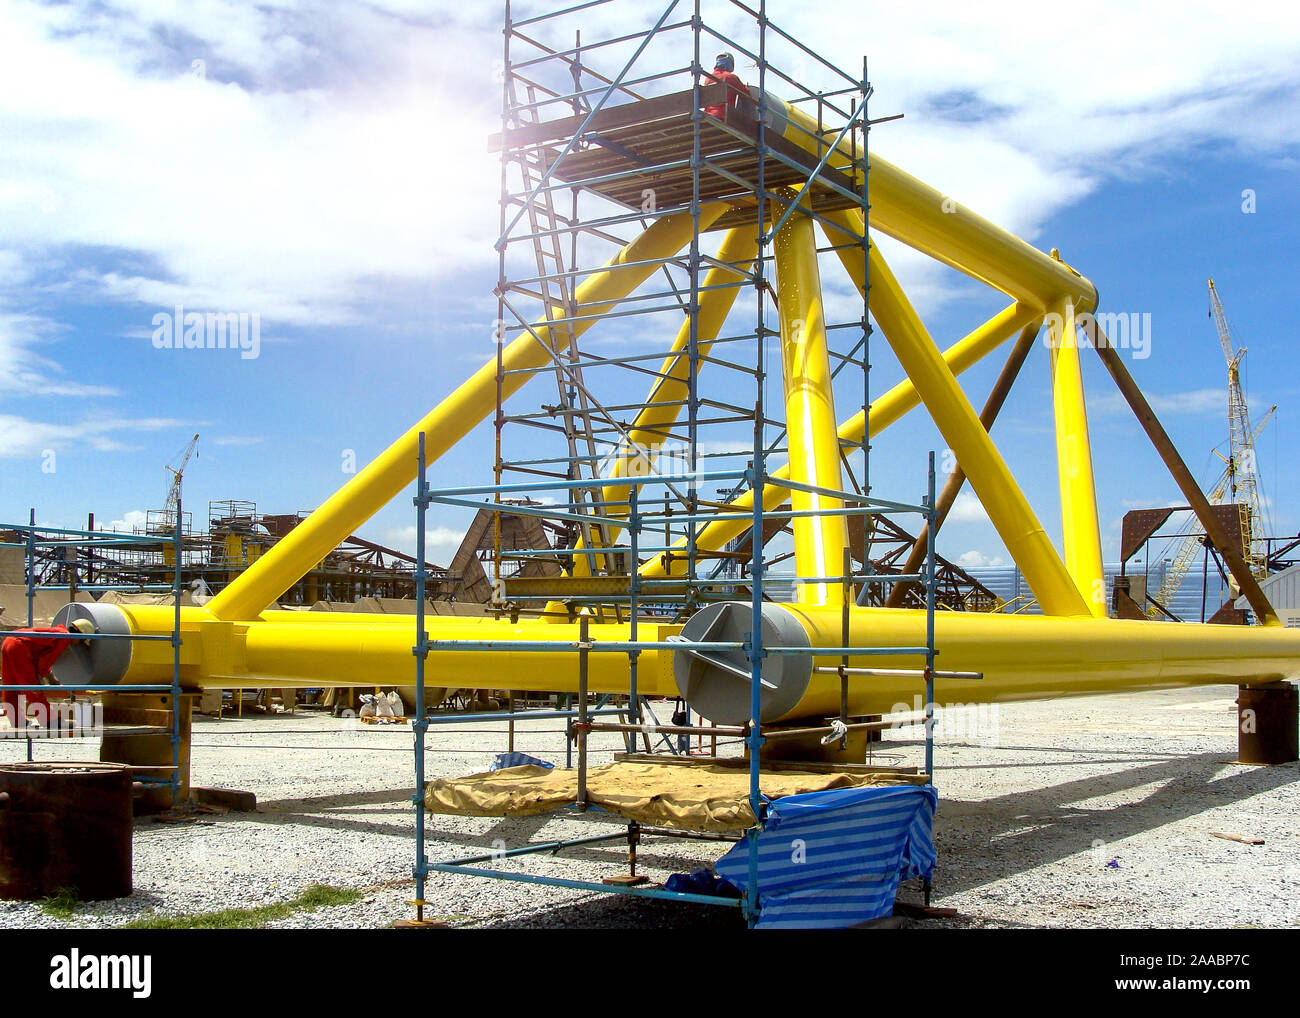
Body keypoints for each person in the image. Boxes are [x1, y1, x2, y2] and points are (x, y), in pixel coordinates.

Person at [0, 619, 94, 729]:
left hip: (9, 641)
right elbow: (46, 660)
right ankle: (50, 720)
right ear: (80, 636)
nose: (77, 645)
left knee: (11, 685)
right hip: (19, 647)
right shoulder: (65, 638)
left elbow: (40, 654)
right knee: (32, 687)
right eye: (81, 642)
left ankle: (16, 720)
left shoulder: (59, 632)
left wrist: (47, 676)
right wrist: (46, 678)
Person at [702, 52, 750, 122]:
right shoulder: (730, 77)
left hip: (708, 116)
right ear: (730, 64)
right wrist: (746, 87)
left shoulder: (708, 79)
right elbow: (746, 94)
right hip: (723, 117)